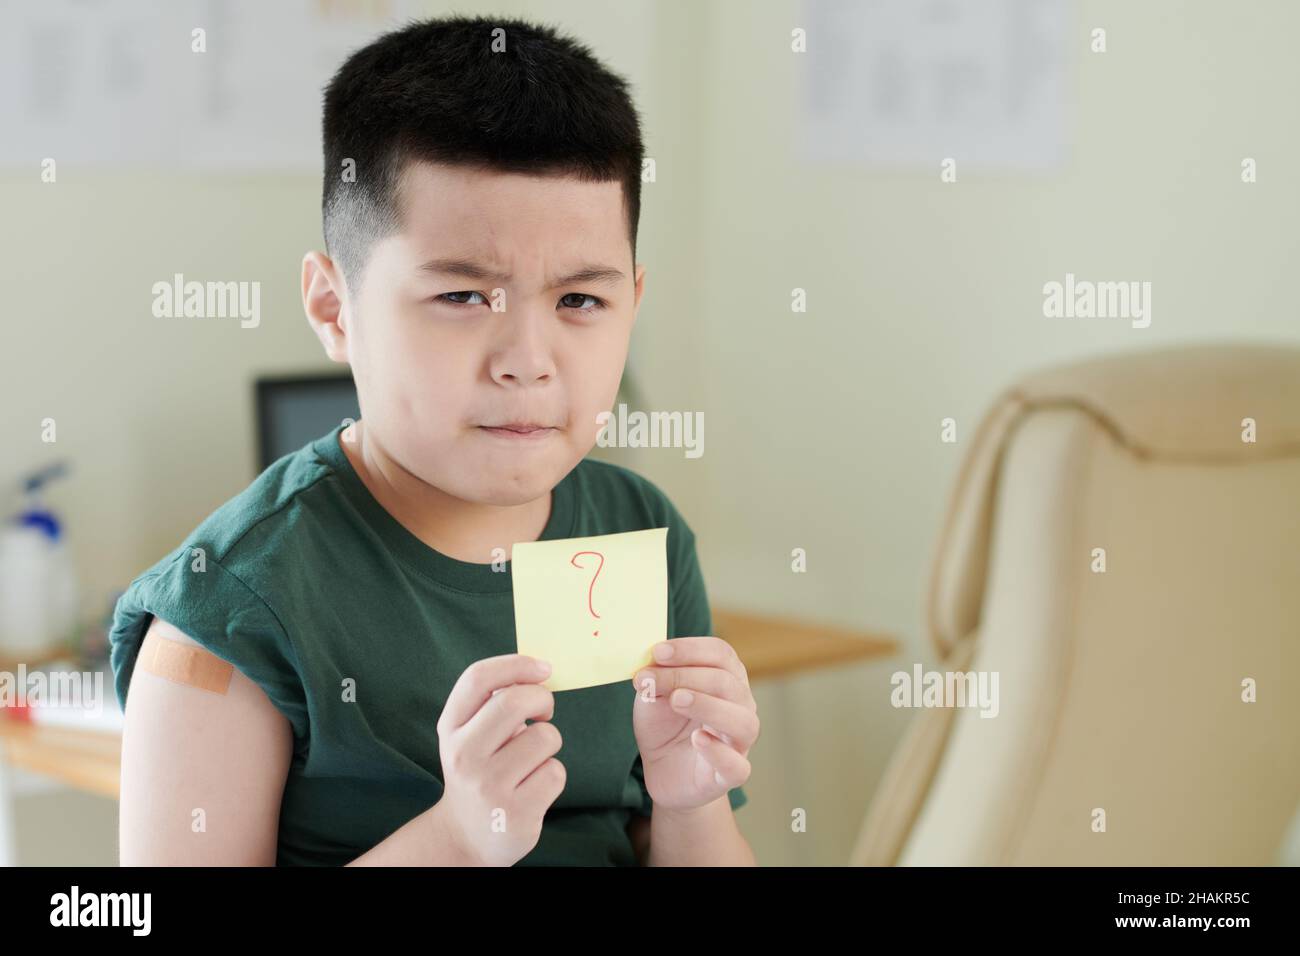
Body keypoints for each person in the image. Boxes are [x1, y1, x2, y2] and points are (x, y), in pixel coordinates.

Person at [110, 14, 759, 866]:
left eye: (579, 301)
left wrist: (690, 805)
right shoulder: (228, 611)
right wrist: (454, 838)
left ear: (632, 304)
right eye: (462, 297)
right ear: (334, 308)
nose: (527, 362)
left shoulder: (640, 531)